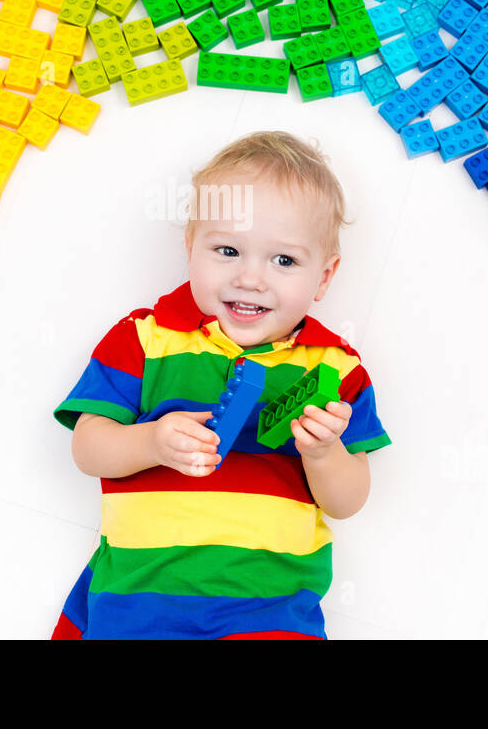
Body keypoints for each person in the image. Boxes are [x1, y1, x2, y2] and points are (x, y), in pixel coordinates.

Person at [49, 130, 390, 639]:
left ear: (324, 277)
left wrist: (323, 454)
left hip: (270, 611)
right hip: (140, 601)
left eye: (284, 261)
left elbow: (347, 501)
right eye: (227, 250)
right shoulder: (146, 338)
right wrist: (150, 439)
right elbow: (87, 450)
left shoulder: (337, 369)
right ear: (191, 247)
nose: (250, 278)